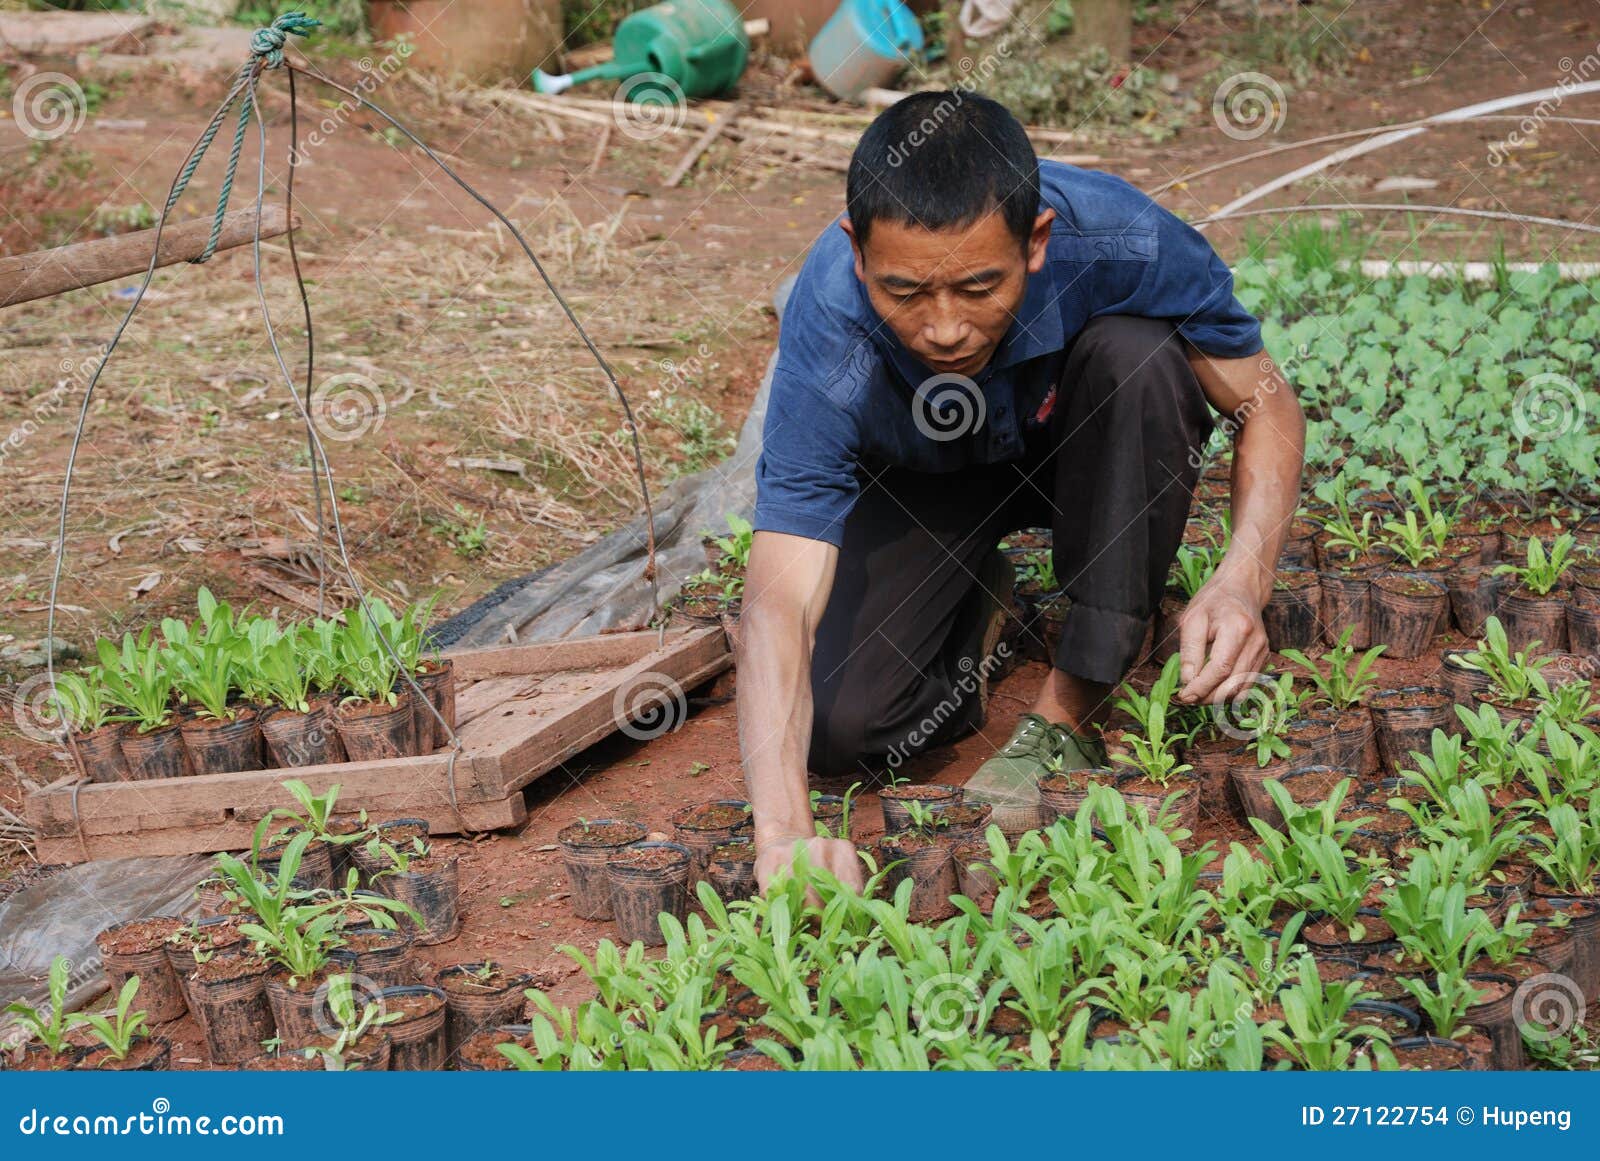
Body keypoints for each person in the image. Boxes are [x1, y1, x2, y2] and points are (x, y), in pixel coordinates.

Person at [738, 91, 1305, 892]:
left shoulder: (1119, 237)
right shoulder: (828, 315)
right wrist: (783, 831)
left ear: (1036, 241)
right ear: (858, 254)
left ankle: (1071, 706)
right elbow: (778, 596)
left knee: (1141, 359)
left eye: (977, 288)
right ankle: (981, 610)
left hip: (1080, 453)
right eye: (903, 291)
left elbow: (1268, 400)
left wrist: (1244, 576)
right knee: (843, 726)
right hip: (923, 484)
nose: (942, 328)